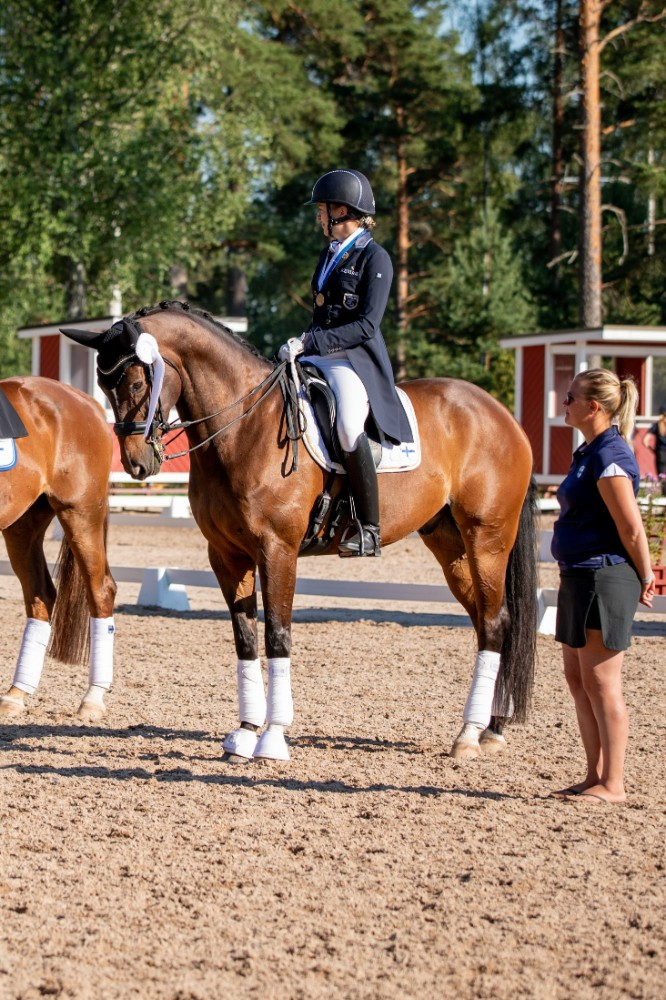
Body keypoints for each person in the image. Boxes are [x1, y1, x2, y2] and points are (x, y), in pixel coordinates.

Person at [279, 168, 412, 557]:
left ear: (342, 210)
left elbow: (367, 325)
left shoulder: (375, 257)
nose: (319, 217)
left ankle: (369, 527)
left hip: (354, 361)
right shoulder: (329, 254)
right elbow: (323, 313)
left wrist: (312, 341)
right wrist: (298, 345)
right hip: (318, 354)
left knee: (349, 425)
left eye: (322, 210)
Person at [550, 369, 655, 804]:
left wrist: (646, 575)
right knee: (577, 678)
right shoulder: (588, 451)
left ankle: (614, 783)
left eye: (571, 397)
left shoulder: (610, 454)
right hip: (577, 574)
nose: (564, 403)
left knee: (601, 683)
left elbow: (631, 528)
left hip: (603, 576)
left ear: (594, 407)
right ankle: (593, 775)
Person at [643, 401, 666, 493]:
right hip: (660, 452)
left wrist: (652, 449)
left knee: (662, 473)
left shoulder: (657, 425)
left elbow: (645, 440)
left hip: (660, 452)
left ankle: (664, 492)